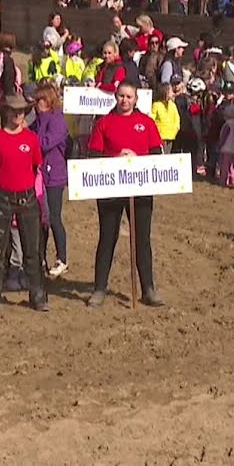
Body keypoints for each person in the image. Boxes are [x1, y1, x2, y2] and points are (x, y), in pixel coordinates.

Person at [87, 82, 165, 308]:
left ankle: (148, 289)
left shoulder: (146, 123)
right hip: (110, 188)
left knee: (142, 239)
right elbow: (93, 155)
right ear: (116, 96)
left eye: (129, 97)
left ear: (136, 99)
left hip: (140, 188)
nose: (125, 100)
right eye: (121, 96)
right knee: (107, 237)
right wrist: (115, 160)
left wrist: (137, 159)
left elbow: (157, 154)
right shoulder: (103, 123)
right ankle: (99, 288)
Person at [0, 92, 48, 314]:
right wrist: (2, 189)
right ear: (6, 112)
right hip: (2, 199)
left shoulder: (31, 139)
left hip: (27, 199)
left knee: (32, 251)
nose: (18, 115)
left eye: (21, 111)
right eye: (13, 111)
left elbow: (35, 167)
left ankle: (38, 297)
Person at [30, 82, 69, 278]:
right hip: (40, 175)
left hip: (54, 176)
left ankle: (62, 258)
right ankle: (40, 257)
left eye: (39, 100)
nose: (36, 104)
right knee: (40, 219)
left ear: (47, 101)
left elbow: (44, 143)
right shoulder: (38, 120)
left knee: (54, 217)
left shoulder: (57, 121)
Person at [151, 81, 181, 153]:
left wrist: (176, 129)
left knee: (168, 154)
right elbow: (152, 120)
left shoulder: (172, 105)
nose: (172, 93)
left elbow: (177, 118)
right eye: (170, 91)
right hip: (161, 136)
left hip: (171, 135)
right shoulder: (156, 105)